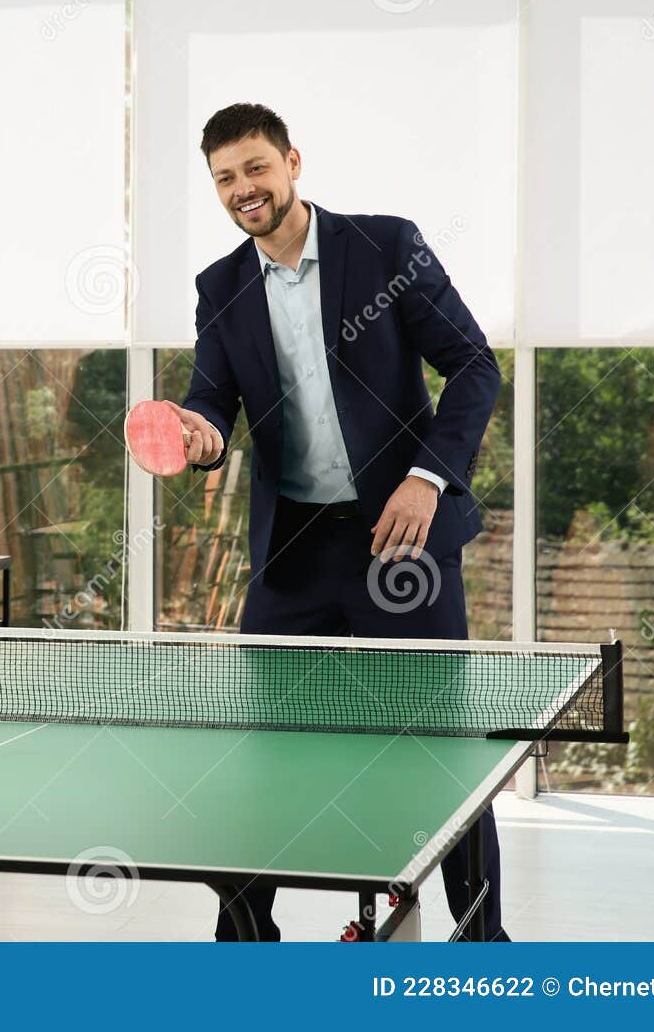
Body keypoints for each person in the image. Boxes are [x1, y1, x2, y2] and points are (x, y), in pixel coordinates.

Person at [171, 103, 505, 940]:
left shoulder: (386, 247)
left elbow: (472, 364)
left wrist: (428, 478)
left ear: (291, 161)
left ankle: (482, 937)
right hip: (294, 546)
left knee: (438, 746)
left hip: (401, 539)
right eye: (225, 178)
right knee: (262, 747)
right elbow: (212, 400)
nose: (243, 189)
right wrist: (201, 435)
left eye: (255, 168)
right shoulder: (221, 287)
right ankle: (245, 941)